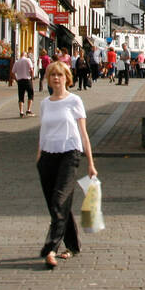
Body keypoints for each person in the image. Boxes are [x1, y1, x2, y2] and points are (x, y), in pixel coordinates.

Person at [37, 60, 97, 269]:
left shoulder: (74, 101)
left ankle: (50, 248)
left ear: (67, 78)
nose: (56, 78)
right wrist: (39, 156)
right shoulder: (45, 103)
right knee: (61, 204)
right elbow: (43, 131)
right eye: (52, 75)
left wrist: (90, 162)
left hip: (70, 155)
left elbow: (84, 133)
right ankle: (72, 245)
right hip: (47, 157)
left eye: (60, 75)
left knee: (58, 201)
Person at [13, 50, 36, 117]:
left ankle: (21, 112)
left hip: (20, 80)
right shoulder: (28, 60)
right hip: (27, 79)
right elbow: (31, 70)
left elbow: (13, 72)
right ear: (25, 55)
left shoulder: (17, 62)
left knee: (21, 96)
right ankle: (28, 110)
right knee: (30, 94)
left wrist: (16, 79)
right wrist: (31, 78)